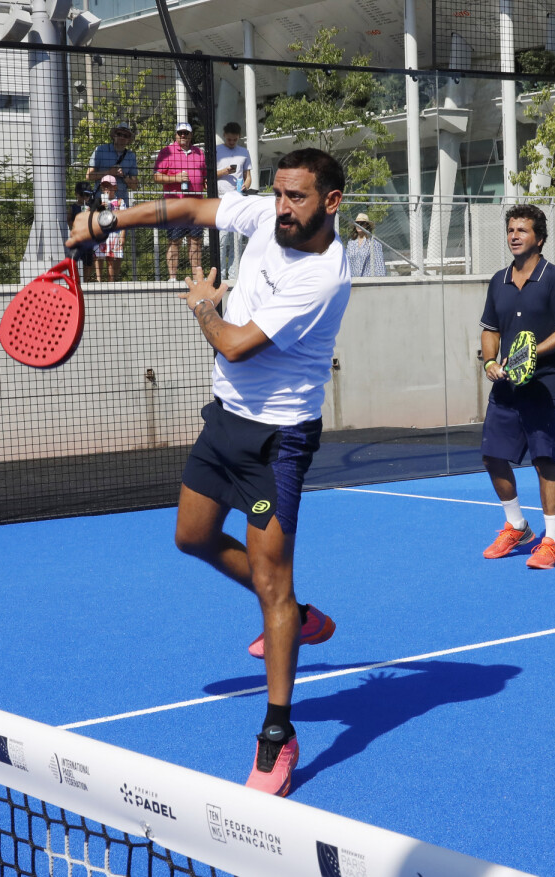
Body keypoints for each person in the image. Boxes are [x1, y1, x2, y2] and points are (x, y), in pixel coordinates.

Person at [66, 147, 351, 798]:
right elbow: (191, 205)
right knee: (191, 535)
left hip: (276, 442)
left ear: (330, 201)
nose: (282, 206)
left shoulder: (324, 275)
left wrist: (203, 305)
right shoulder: (265, 216)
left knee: (272, 580)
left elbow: (237, 345)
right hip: (225, 419)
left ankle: (278, 732)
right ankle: (296, 614)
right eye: (279, 193)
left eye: (297, 197)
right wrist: (109, 222)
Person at [479, 204, 555, 570]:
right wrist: (491, 362)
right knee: (492, 455)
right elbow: (490, 330)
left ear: (538, 237)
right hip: (507, 386)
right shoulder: (498, 280)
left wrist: (530, 354)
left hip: (544, 385)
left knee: (543, 461)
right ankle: (518, 526)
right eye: (510, 230)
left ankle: (551, 541)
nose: (514, 236)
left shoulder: (554, 278)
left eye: (521, 230)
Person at [153, 122, 207, 282]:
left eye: (186, 133)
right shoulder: (166, 152)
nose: (183, 136)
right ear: (175, 135)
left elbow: (204, 177)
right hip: (175, 205)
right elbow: (156, 176)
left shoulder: (199, 153)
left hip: (196, 206)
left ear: (191, 135)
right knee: (174, 240)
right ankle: (172, 278)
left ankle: (197, 278)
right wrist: (175, 178)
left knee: (195, 242)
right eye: (180, 133)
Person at [215, 122, 252, 282]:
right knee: (222, 240)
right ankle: (221, 275)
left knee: (237, 240)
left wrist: (246, 185)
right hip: (221, 199)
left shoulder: (244, 152)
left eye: (235, 140)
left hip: (238, 200)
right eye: (229, 139)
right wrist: (223, 172)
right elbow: (207, 175)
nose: (232, 142)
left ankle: (234, 275)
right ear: (224, 136)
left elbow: (248, 176)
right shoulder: (216, 151)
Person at [86, 122, 139, 206]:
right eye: (119, 134)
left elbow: (134, 186)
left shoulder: (131, 156)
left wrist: (124, 176)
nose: (122, 137)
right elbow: (89, 176)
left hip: (121, 203)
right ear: (114, 135)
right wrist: (109, 172)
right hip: (101, 201)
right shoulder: (100, 150)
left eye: (125, 136)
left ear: (129, 139)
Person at [94, 175, 126, 281]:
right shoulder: (98, 201)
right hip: (101, 233)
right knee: (98, 255)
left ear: (115, 188)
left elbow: (124, 221)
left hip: (114, 233)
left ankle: (111, 280)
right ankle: (99, 280)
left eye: (108, 186)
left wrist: (123, 236)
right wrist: (99, 208)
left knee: (111, 257)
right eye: (104, 187)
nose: (106, 189)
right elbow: (94, 218)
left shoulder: (120, 202)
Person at [68, 182, 98, 282]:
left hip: (88, 238)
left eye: (87, 195)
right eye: (82, 194)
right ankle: (76, 279)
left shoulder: (90, 207)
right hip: (77, 238)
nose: (84, 197)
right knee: (75, 259)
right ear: (76, 194)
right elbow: (69, 221)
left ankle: (86, 279)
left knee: (89, 261)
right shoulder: (73, 207)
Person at [345, 212, 385, 277]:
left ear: (367, 225)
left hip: (368, 280)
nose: (359, 225)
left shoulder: (374, 243)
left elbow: (380, 266)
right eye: (357, 223)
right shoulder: (350, 243)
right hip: (353, 280)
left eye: (362, 223)